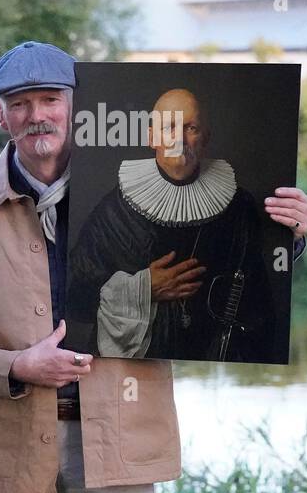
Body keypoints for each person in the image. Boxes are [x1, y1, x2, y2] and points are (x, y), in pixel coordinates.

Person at [0, 40, 307, 493]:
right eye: (19, 103)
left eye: (49, 99)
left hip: (119, 433)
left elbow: (235, 271)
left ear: (76, 108)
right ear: (2, 116)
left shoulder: (144, 190)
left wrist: (285, 237)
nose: (36, 115)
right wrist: (14, 366)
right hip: (8, 439)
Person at [69, 88, 275, 362]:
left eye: (190, 127)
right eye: (169, 127)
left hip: (214, 360)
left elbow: (260, 298)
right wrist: (143, 288)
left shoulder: (240, 206)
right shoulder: (114, 211)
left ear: (205, 139)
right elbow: (76, 295)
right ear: (151, 137)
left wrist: (294, 238)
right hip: (138, 366)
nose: (179, 139)